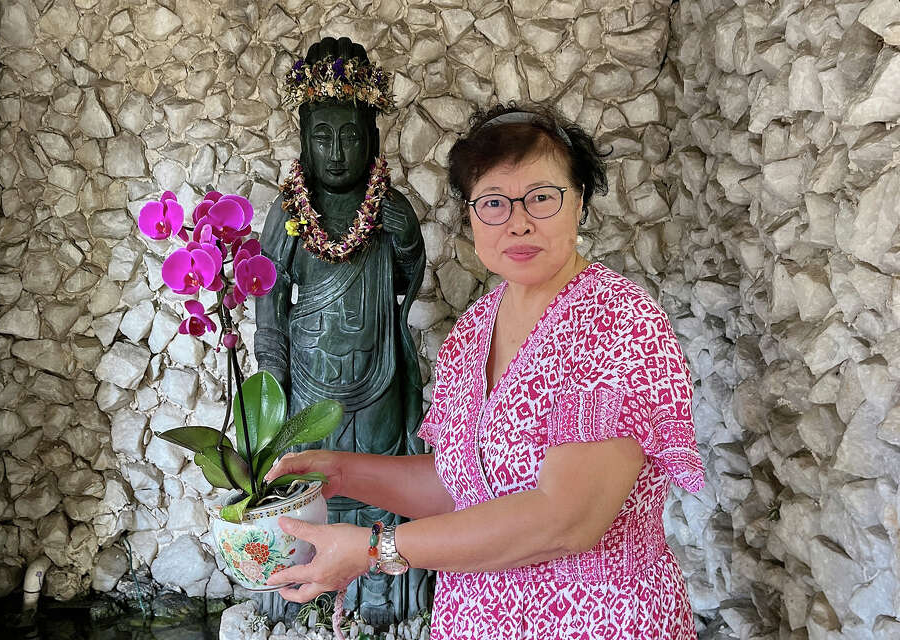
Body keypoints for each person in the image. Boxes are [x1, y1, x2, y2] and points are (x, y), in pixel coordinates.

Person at [266, 103, 706, 640]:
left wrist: (374, 551)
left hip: (599, 619)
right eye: (493, 203)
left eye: (542, 198)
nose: (518, 221)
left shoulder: (618, 322)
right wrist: (338, 470)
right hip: (479, 617)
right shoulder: (474, 330)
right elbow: (461, 486)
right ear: (471, 216)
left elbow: (565, 521)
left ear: (581, 203)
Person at [254, 37, 428, 624]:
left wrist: (404, 237)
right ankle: (301, 591)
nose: (335, 152)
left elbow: (408, 281)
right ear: (304, 139)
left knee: (381, 477)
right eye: (323, 136)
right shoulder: (290, 211)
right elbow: (267, 297)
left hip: (376, 369)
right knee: (306, 482)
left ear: (373, 140)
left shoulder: (388, 209)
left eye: (350, 136)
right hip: (308, 374)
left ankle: (380, 594)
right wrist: (270, 382)